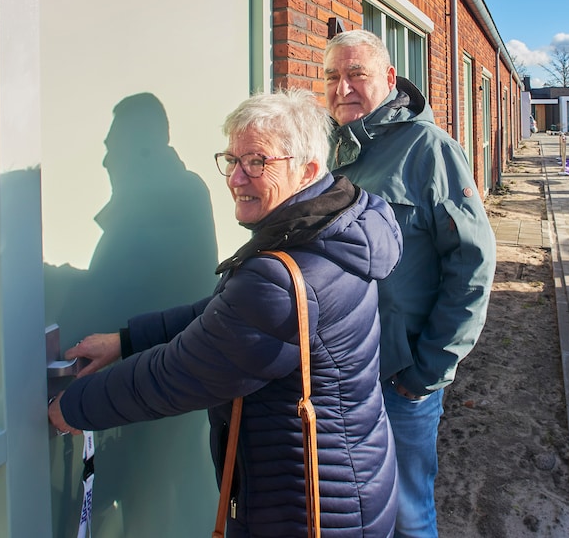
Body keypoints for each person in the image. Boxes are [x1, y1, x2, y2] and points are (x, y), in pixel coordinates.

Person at [49, 88, 403, 535]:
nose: (236, 178)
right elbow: (229, 313)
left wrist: (76, 405)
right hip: (349, 481)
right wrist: (128, 340)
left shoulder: (289, 274)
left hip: (308, 510)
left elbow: (180, 374)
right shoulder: (331, 226)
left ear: (307, 170)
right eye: (232, 160)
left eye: (257, 162)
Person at [323, 29, 496, 537]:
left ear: (390, 78)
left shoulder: (429, 150)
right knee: (348, 507)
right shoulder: (326, 149)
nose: (343, 87)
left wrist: (428, 370)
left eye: (357, 74)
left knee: (407, 514)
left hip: (398, 376)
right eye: (332, 76)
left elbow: (472, 264)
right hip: (335, 376)